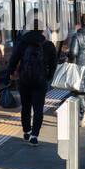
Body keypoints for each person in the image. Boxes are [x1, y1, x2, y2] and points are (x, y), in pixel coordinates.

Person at [9, 9, 56, 145]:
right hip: (40, 81)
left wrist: (11, 73)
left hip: (24, 80)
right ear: (42, 31)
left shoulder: (23, 43)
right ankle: (34, 136)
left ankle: (26, 131)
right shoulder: (48, 45)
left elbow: (13, 59)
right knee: (38, 109)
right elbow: (53, 64)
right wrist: (49, 77)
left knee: (26, 107)